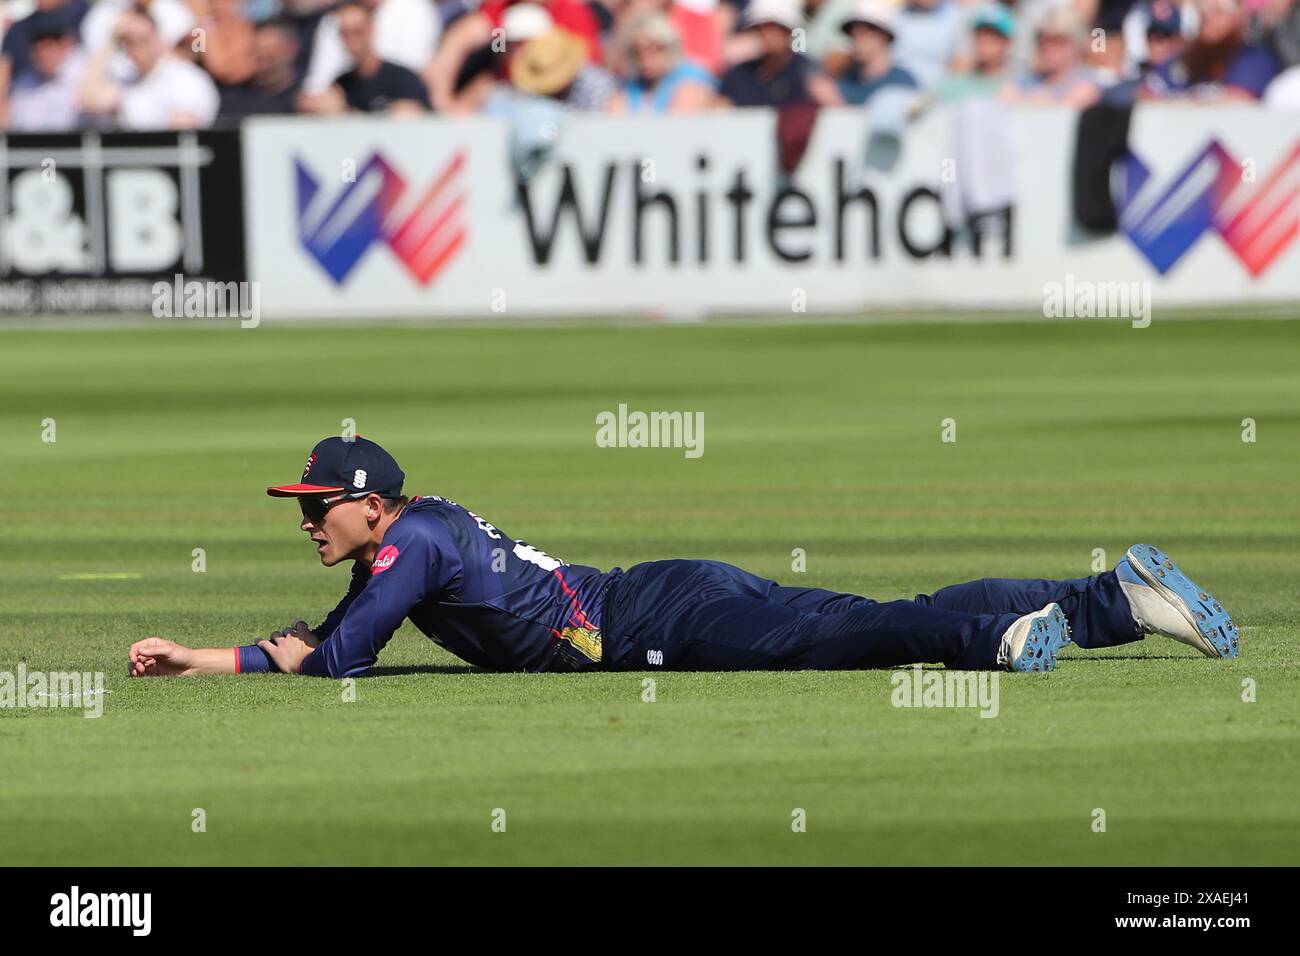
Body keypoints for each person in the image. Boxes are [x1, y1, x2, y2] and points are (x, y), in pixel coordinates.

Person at [128, 436, 1240, 680]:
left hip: (648, 621)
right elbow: (327, 639)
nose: (306, 520)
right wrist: (199, 658)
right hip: (659, 591)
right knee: (862, 611)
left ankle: (997, 639)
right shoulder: (410, 538)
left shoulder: (407, 545)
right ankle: (1114, 600)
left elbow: (337, 659)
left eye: (318, 505)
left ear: (369, 506)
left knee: (841, 638)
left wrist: (260, 656)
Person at [79, 5, 219, 129]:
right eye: (127, 41)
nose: (134, 48)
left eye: (142, 39)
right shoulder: (129, 81)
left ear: (157, 36)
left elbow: (181, 136)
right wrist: (111, 38)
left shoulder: (185, 79)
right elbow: (88, 101)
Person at [299, 0, 430, 114]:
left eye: (357, 31)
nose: (351, 40)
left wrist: (346, 112)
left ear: (372, 30)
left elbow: (413, 119)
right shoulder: (341, 85)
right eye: (345, 33)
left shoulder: (403, 79)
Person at [1141, 0, 1279, 99]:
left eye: (1218, 11)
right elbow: (1145, 95)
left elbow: (1237, 103)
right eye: (1204, 10)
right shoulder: (1185, 58)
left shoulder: (1254, 59)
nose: (1208, 18)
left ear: (1239, 15)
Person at [717, 0, 842, 106]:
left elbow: (836, 111)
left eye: (778, 27)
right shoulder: (739, 74)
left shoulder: (808, 73)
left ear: (790, 30)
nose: (770, 33)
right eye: (764, 26)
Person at [609, 10, 716, 113]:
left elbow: (680, 119)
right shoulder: (631, 87)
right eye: (638, 52)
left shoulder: (690, 78)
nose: (646, 59)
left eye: (656, 50)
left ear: (670, 46)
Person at [5, 7, 86, 131]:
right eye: (39, 40)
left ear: (69, 42)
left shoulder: (84, 75)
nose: (46, 49)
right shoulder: (23, 85)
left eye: (55, 38)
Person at [217, 17, 302, 121]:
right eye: (257, 57)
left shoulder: (305, 99)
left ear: (292, 49)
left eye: (270, 57)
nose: (263, 66)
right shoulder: (233, 100)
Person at [836, 0, 919, 105]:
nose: (856, 38)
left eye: (864, 31)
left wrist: (837, 103)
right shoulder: (845, 81)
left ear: (885, 36)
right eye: (853, 33)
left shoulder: (903, 82)